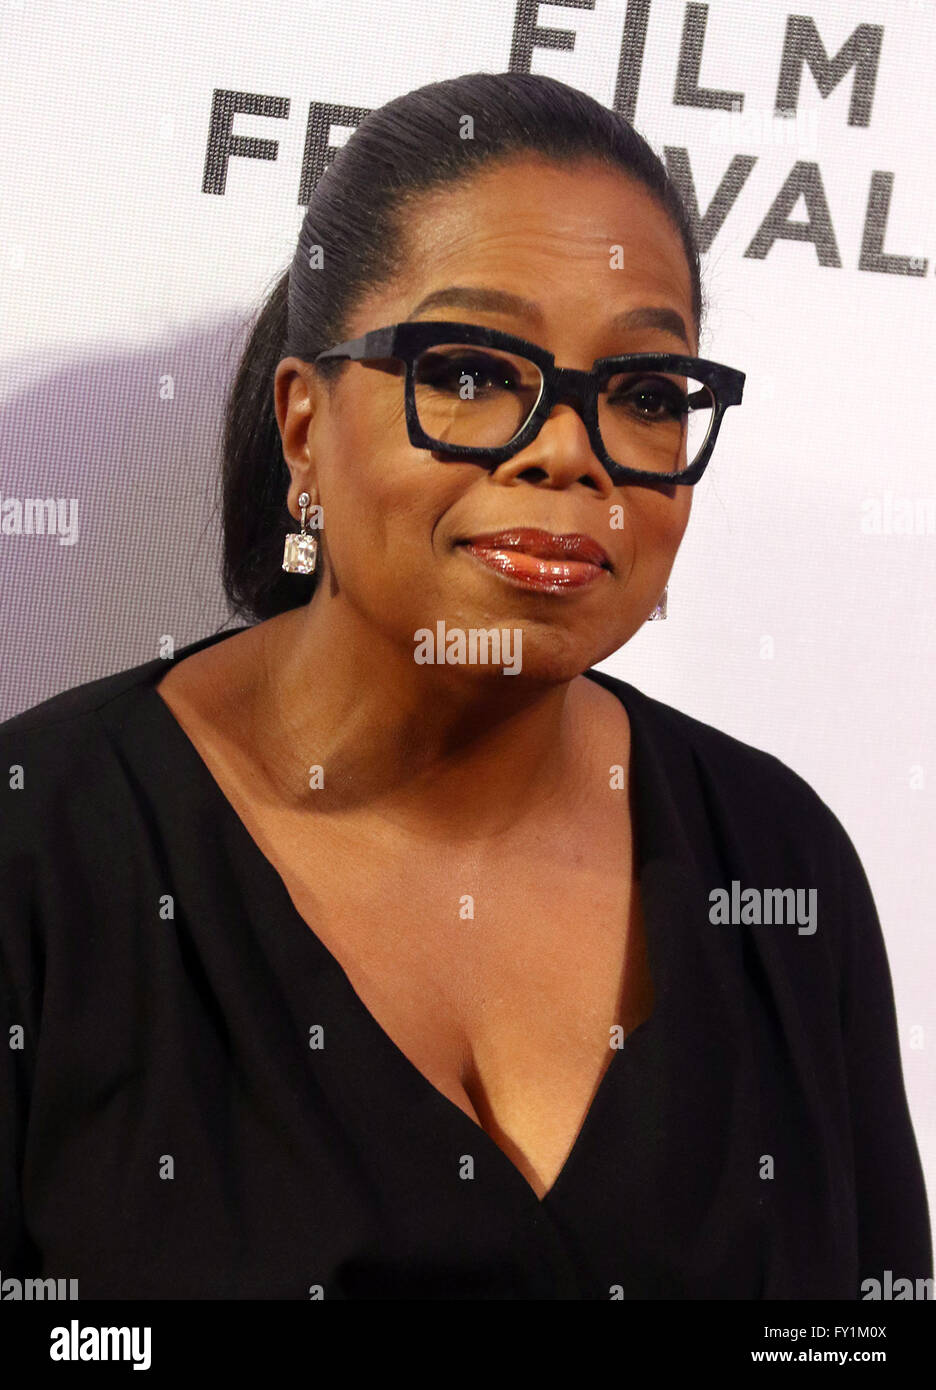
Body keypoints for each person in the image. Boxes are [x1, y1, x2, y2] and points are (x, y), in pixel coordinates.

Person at [0, 70, 930, 1301]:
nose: (565, 448)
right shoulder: (38, 852)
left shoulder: (777, 857)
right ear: (302, 431)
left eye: (647, 395)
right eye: (474, 371)